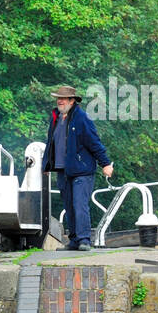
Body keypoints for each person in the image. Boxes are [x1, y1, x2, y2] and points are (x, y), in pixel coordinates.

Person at [42, 85, 113, 251]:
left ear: (72, 101)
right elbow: (50, 143)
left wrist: (105, 163)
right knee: (69, 206)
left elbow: (94, 142)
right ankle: (74, 241)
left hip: (82, 169)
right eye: (58, 98)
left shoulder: (81, 118)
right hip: (62, 170)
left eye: (63, 98)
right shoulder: (56, 118)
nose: (59, 101)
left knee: (79, 204)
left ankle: (84, 240)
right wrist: (46, 164)